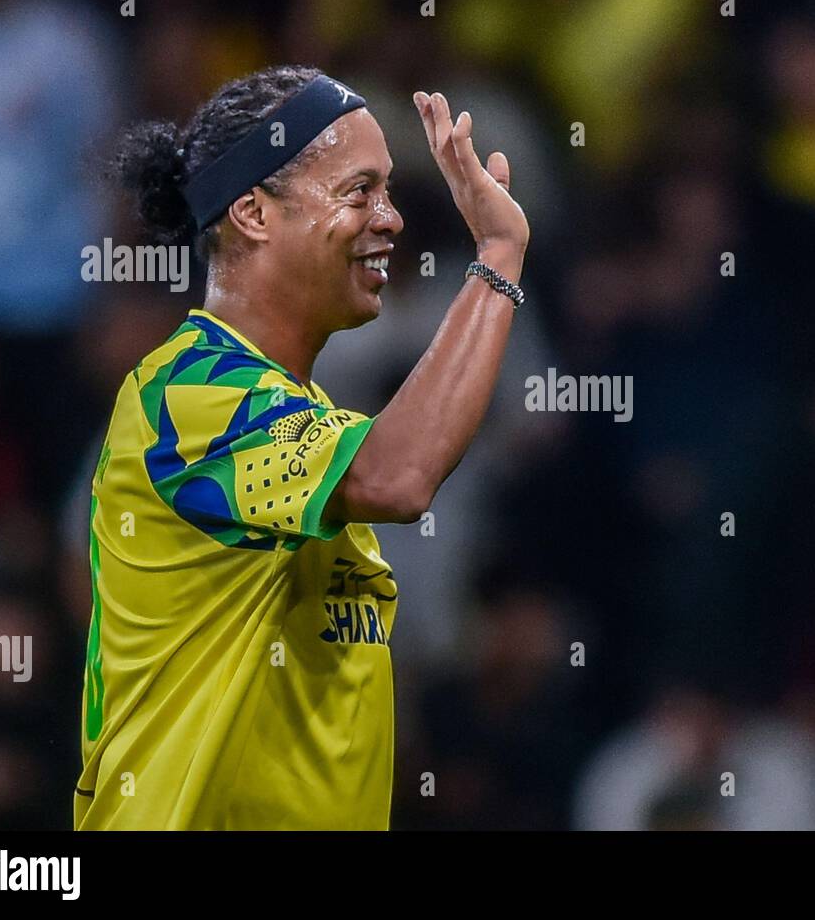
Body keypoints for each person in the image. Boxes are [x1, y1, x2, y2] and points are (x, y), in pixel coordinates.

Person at [74, 65, 529, 829]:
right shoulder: (190, 395)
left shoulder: (306, 415)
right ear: (253, 212)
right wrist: (498, 256)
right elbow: (401, 476)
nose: (391, 219)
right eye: (359, 191)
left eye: (388, 192)